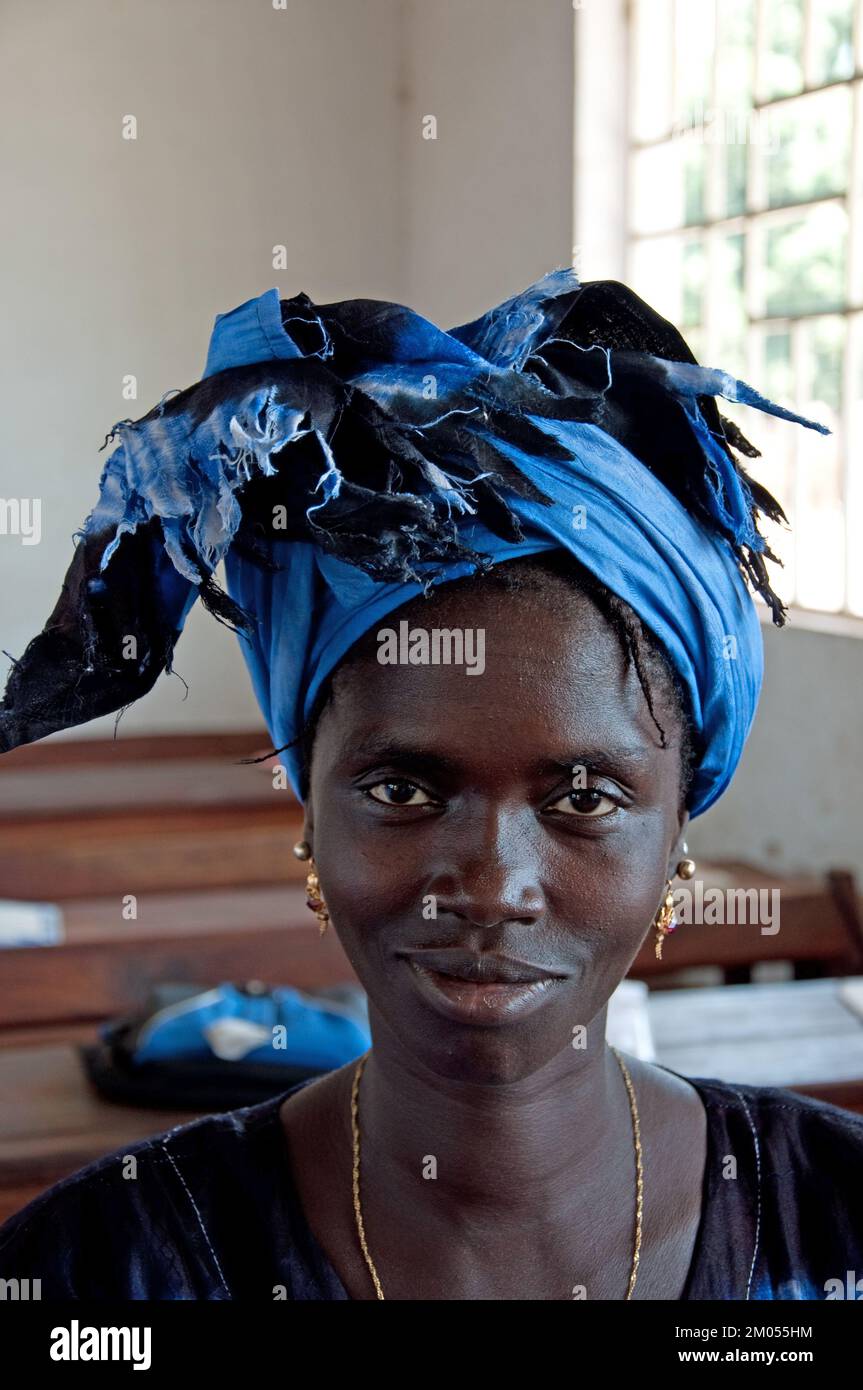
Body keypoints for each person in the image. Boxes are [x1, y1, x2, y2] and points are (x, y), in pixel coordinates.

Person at [0, 268, 860, 1301]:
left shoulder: (832, 1230)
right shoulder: (100, 1275)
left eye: (582, 798)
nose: (493, 883)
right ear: (309, 809)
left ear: (677, 826)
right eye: (405, 789)